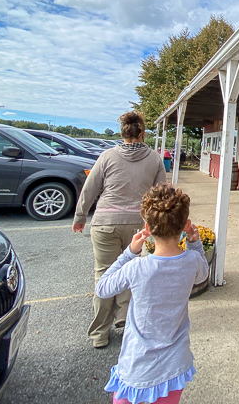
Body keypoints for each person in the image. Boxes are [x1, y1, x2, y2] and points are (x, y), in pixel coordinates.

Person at [96, 184, 208, 404]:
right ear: (185, 225)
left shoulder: (136, 268)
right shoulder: (192, 262)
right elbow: (202, 274)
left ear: (146, 227)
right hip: (175, 366)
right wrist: (195, 243)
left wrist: (129, 253)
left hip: (138, 366)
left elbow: (103, 287)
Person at [73, 111, 166, 348]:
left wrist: (80, 216)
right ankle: (124, 316)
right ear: (142, 134)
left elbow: (90, 188)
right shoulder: (154, 159)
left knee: (104, 274)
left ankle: (99, 333)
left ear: (122, 134)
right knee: (133, 270)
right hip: (139, 225)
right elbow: (162, 194)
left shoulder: (107, 156)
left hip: (105, 222)